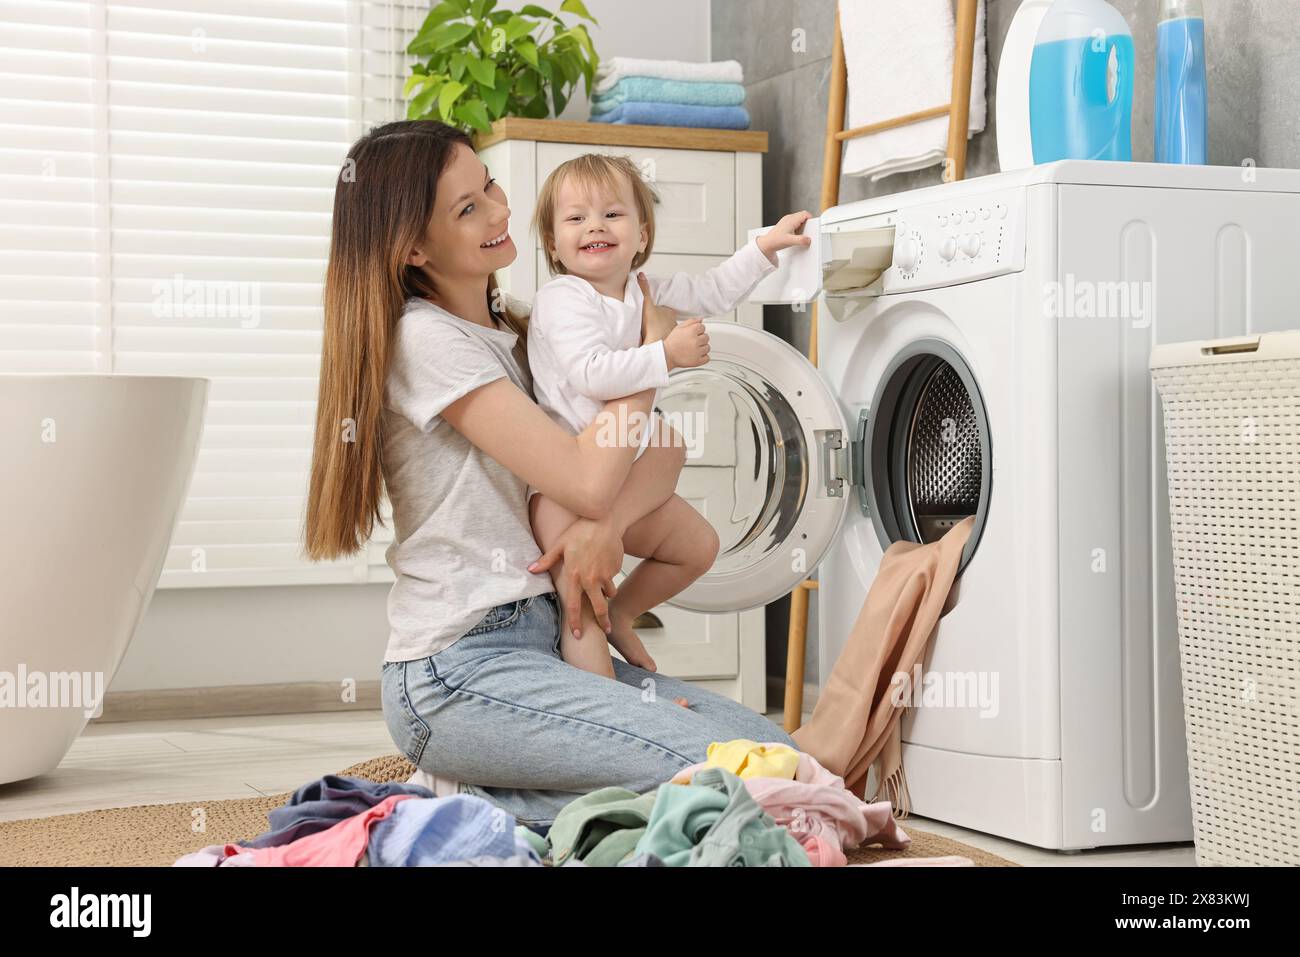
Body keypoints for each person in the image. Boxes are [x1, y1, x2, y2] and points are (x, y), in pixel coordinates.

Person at [303, 120, 798, 832]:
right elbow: (589, 479)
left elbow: (656, 455)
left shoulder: (524, 327)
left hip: (545, 639)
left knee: (774, 756)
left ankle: (487, 791)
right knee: (736, 783)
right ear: (412, 247)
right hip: (459, 669)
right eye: (468, 207)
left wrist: (606, 529)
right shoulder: (426, 340)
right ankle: (463, 797)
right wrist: (654, 354)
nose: (501, 211)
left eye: (491, 187)